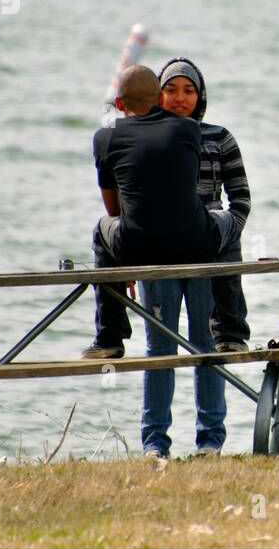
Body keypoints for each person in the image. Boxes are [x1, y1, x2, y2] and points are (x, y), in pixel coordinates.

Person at [134, 57, 252, 459]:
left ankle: (210, 441)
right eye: (171, 89)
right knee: (160, 350)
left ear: (200, 96)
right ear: (157, 95)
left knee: (206, 344)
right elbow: (129, 202)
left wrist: (223, 233)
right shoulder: (144, 138)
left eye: (188, 90)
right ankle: (154, 443)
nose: (179, 98)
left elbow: (241, 200)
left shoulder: (219, 137)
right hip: (158, 258)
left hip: (206, 258)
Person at [83, 65, 220, 361]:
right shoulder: (189, 129)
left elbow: (114, 210)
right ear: (160, 98)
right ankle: (231, 327)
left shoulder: (104, 137)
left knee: (101, 229)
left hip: (139, 248)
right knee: (228, 218)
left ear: (119, 104)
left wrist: (124, 262)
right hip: (196, 245)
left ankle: (110, 337)